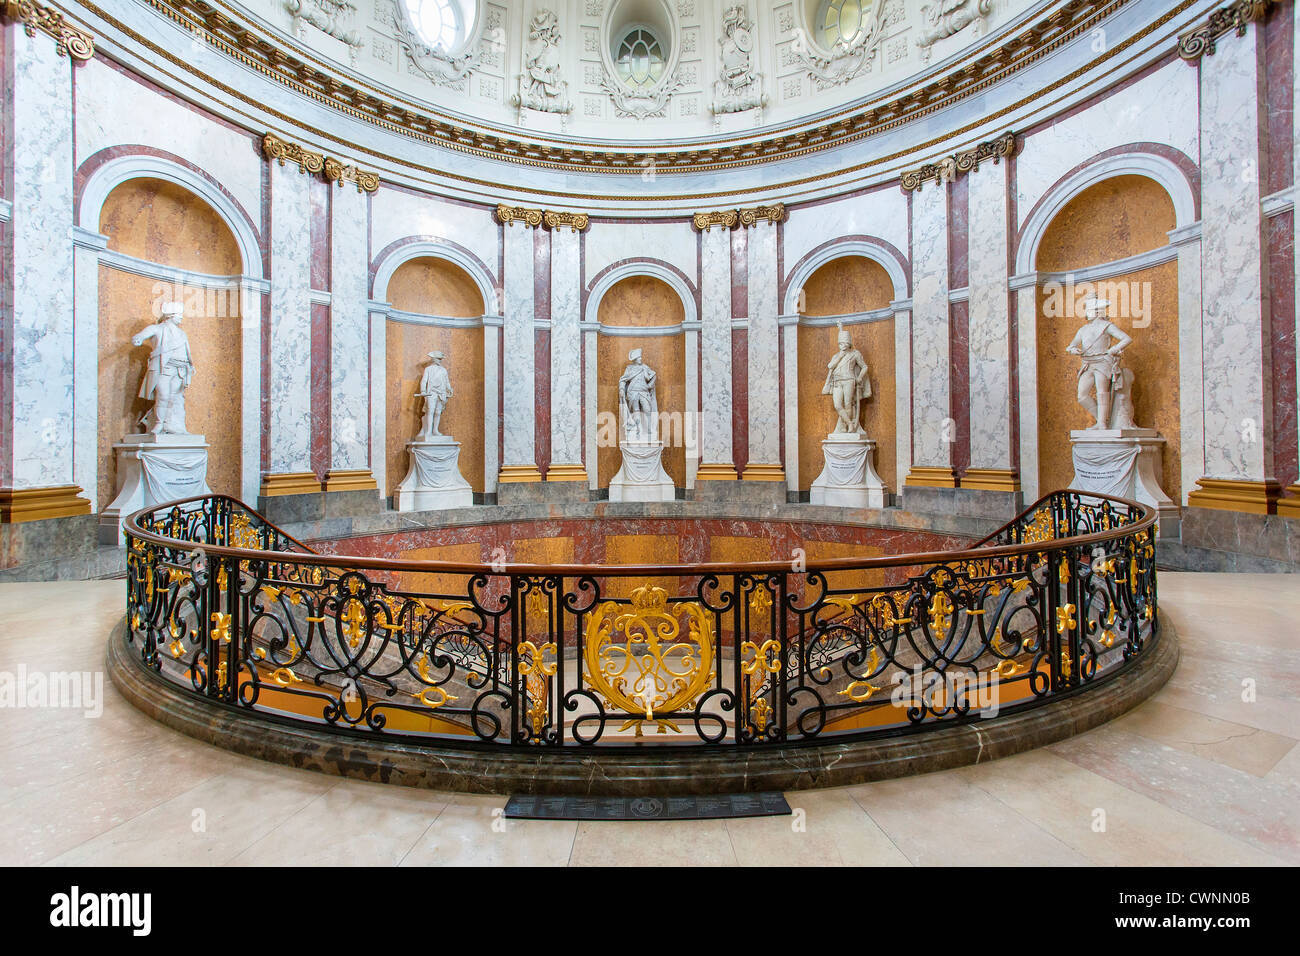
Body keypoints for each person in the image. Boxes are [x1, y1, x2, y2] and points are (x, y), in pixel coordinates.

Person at [1066, 298, 1133, 430]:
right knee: (1082, 396)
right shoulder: (1083, 329)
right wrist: (1073, 350)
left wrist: (1113, 350)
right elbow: (1071, 345)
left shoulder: (1107, 326)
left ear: (1097, 311)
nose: (1087, 312)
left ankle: (1102, 423)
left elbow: (1126, 338)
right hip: (1087, 363)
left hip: (1102, 362)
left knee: (1101, 392)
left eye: (1089, 310)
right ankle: (1101, 420)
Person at [131, 302, 194, 434]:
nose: (181, 318)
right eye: (179, 315)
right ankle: (159, 424)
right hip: (164, 367)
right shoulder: (157, 329)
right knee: (163, 396)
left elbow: (187, 352)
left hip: (180, 370)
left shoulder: (182, 334)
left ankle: (167, 424)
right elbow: (141, 335)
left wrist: (190, 365)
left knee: (172, 398)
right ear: (170, 316)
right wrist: (138, 339)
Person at [822, 325, 872, 435]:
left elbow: (864, 367)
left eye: (844, 343)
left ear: (848, 343)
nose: (842, 346)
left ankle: (845, 426)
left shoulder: (855, 354)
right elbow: (830, 366)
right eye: (840, 343)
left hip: (849, 380)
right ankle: (849, 423)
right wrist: (840, 356)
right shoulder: (836, 355)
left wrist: (859, 377)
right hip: (837, 382)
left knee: (848, 404)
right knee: (838, 405)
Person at [618, 348, 658, 441]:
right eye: (639, 357)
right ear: (635, 359)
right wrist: (621, 389)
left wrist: (650, 385)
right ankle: (638, 430)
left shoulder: (645, 367)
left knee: (647, 409)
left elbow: (654, 375)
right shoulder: (629, 368)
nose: (641, 359)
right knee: (636, 411)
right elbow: (623, 380)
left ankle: (649, 430)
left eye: (640, 357)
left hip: (644, 392)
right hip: (633, 393)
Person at [417, 351, 452, 438]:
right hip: (431, 393)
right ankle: (428, 431)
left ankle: (435, 430)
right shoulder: (428, 369)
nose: (440, 361)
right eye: (439, 359)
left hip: (441, 393)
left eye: (441, 359)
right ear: (434, 359)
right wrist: (423, 391)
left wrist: (449, 388)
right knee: (430, 411)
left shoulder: (443, 370)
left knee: (438, 412)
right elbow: (424, 381)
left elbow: (447, 381)